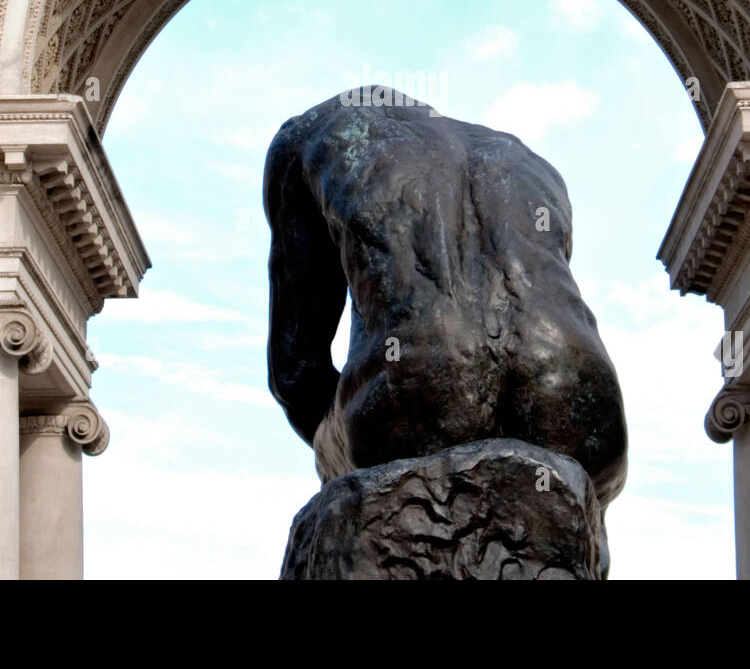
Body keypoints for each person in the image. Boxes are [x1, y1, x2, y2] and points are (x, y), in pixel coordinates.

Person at [264, 87, 628, 506]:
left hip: (421, 392)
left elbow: (295, 374)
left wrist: (340, 442)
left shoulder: (309, 134)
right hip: (586, 405)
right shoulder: (527, 161)